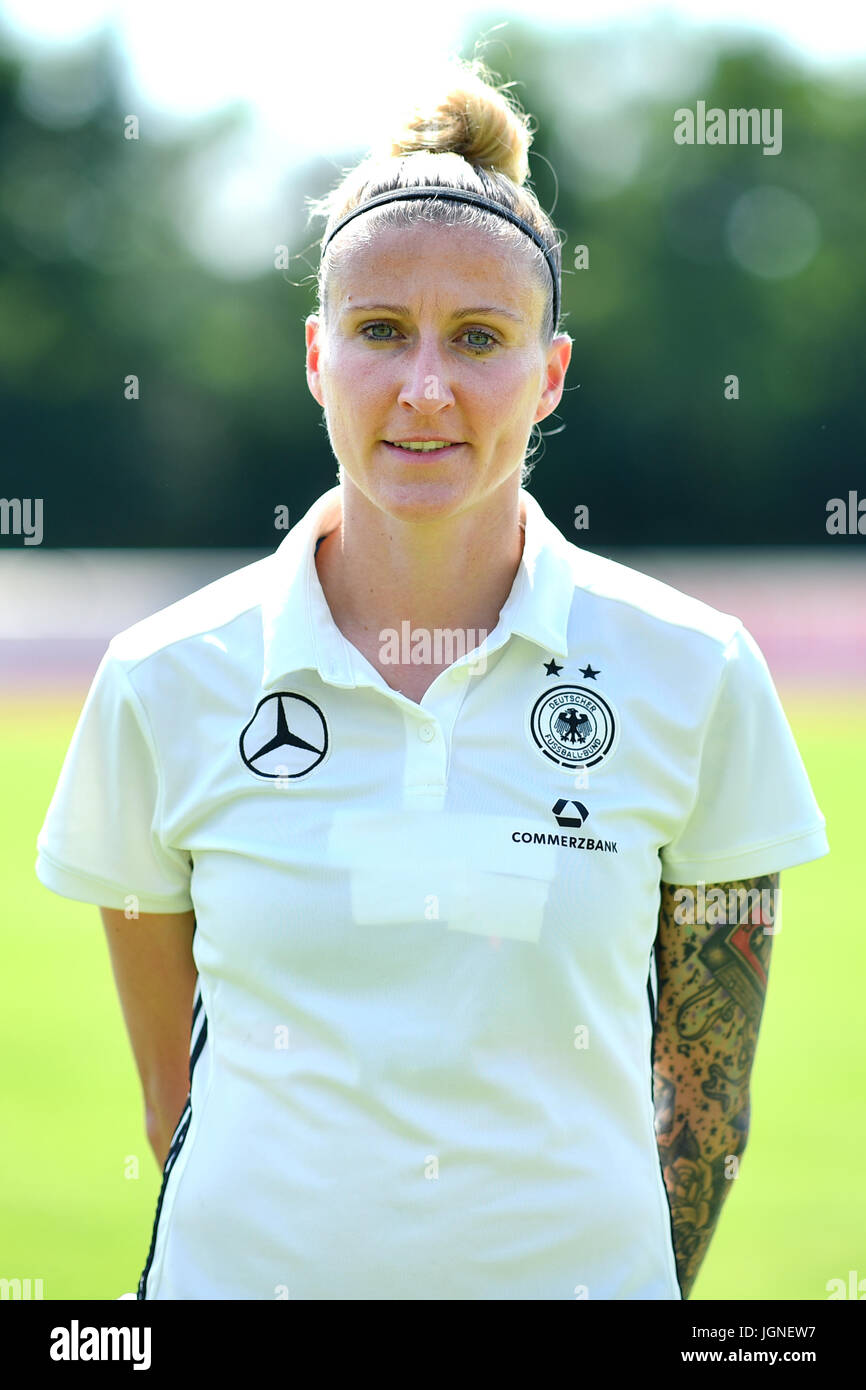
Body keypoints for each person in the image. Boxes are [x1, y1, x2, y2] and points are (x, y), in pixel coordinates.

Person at [35, 57, 829, 1301]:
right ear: (315, 355)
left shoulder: (696, 672)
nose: (423, 387)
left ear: (549, 373)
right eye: (378, 332)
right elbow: (174, 1103)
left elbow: (704, 1113)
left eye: (477, 339)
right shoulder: (163, 678)